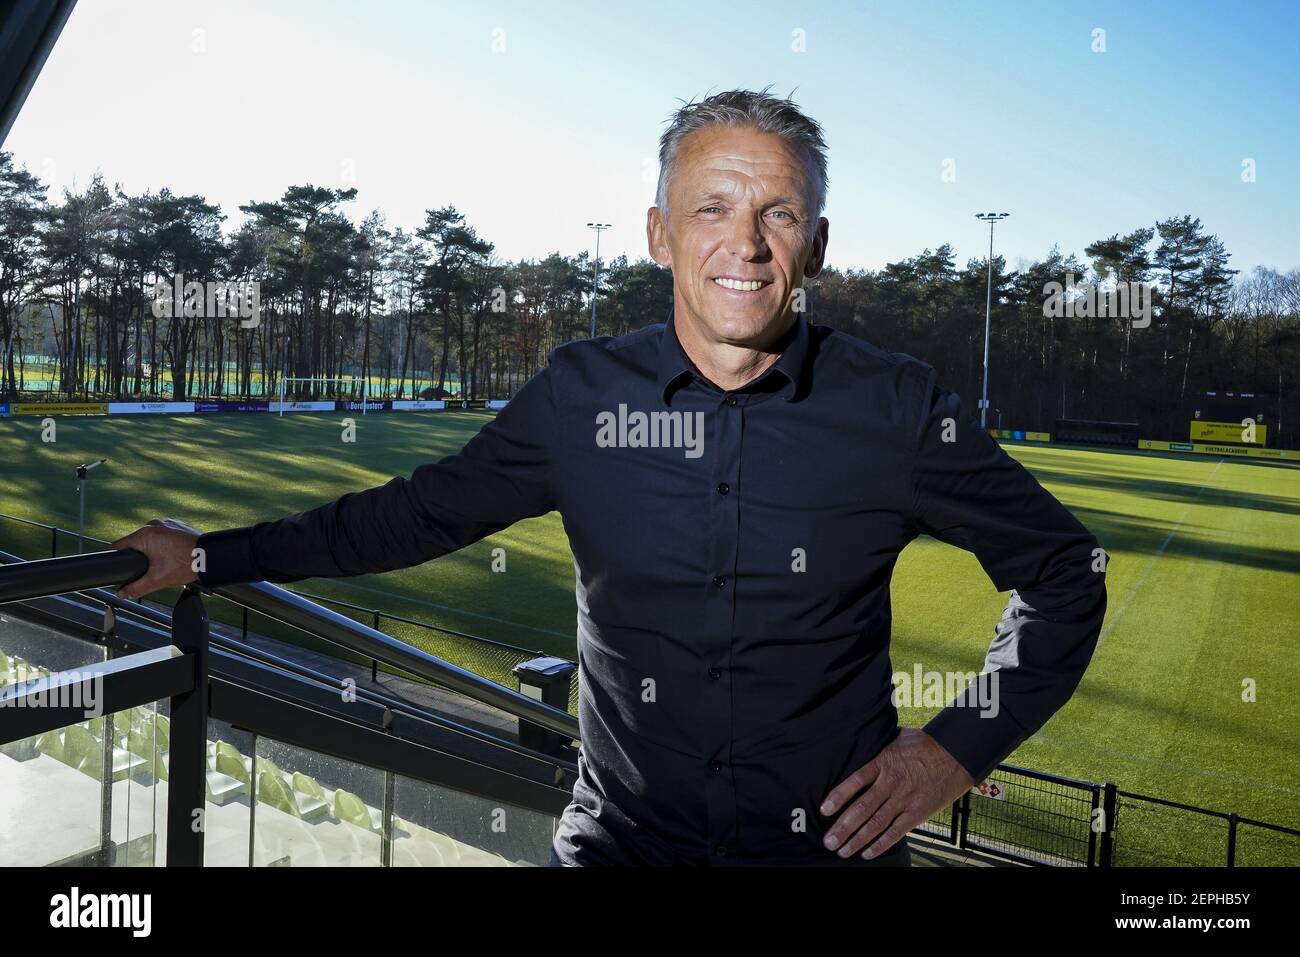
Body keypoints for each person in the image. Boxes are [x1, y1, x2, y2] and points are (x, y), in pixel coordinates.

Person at [113, 88, 1106, 867]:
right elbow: (413, 520)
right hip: (618, 851)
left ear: (817, 246)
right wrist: (207, 554)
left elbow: (1066, 569)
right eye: (710, 208)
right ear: (658, 234)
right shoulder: (580, 396)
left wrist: (956, 748)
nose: (745, 244)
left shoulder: (894, 405)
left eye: (780, 214)